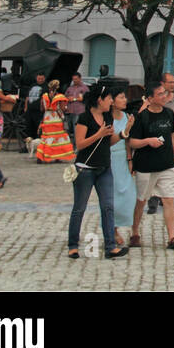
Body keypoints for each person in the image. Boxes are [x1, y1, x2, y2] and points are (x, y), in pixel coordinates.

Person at [66, 85, 129, 259]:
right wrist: (99, 133)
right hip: (85, 169)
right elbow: (80, 144)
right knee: (79, 208)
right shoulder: (84, 118)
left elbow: (108, 141)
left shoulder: (107, 116)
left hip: (104, 168)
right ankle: (72, 245)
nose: (111, 101)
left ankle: (111, 246)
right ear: (100, 100)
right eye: (109, 98)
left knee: (108, 207)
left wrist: (124, 133)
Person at [128, 81, 174, 249]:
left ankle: (172, 237)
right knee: (141, 200)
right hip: (146, 165)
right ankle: (135, 232)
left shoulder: (169, 114)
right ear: (150, 98)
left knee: (169, 200)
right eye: (160, 94)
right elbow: (132, 142)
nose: (164, 96)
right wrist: (148, 141)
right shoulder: (142, 117)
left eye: (164, 93)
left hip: (167, 164)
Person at [149, 71, 174, 215]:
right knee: (154, 168)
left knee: (168, 168)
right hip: (155, 137)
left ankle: (165, 196)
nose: (173, 85)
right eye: (170, 82)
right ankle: (153, 198)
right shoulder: (155, 99)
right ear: (162, 84)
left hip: (171, 137)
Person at [108, 88, 136, 246]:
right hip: (109, 157)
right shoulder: (107, 118)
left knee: (127, 193)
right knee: (111, 194)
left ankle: (130, 227)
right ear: (112, 101)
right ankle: (113, 228)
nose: (125, 100)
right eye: (122, 97)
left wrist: (130, 159)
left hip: (122, 158)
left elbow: (127, 141)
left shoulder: (126, 117)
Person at [34, 84, 75, 163]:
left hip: (47, 119)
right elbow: (63, 108)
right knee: (58, 139)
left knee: (46, 138)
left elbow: (42, 108)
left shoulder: (44, 96)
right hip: (56, 119)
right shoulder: (60, 97)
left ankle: (41, 156)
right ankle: (57, 157)